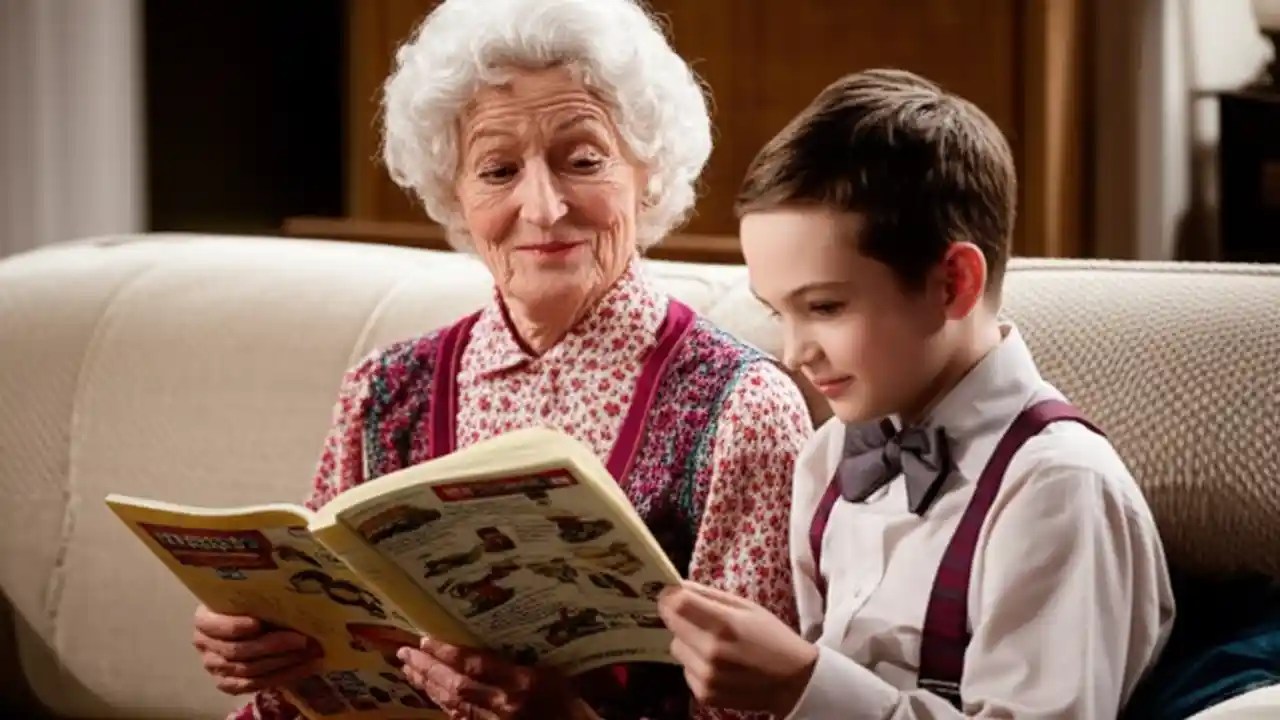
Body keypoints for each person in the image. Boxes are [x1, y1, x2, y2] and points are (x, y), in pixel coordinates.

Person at [189, 1, 813, 718]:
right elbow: (324, 678)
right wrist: (266, 653)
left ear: (648, 172)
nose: (544, 207)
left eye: (582, 161)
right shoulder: (384, 392)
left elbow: (758, 711)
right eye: (497, 170)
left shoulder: (743, 409)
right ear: (452, 193)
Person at [658, 69, 1177, 718]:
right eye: (777, 314)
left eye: (824, 306)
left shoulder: (1057, 490)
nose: (794, 353)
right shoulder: (826, 461)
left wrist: (804, 685)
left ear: (952, 283)